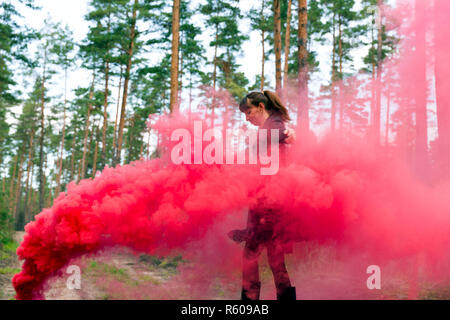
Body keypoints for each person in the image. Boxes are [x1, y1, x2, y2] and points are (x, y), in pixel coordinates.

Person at [228, 90, 296, 300]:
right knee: (271, 257)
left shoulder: (275, 127)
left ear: (261, 107)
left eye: (248, 112)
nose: (247, 118)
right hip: (264, 200)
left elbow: (277, 136)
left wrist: (287, 135)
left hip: (272, 202)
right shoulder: (275, 128)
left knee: (257, 255)